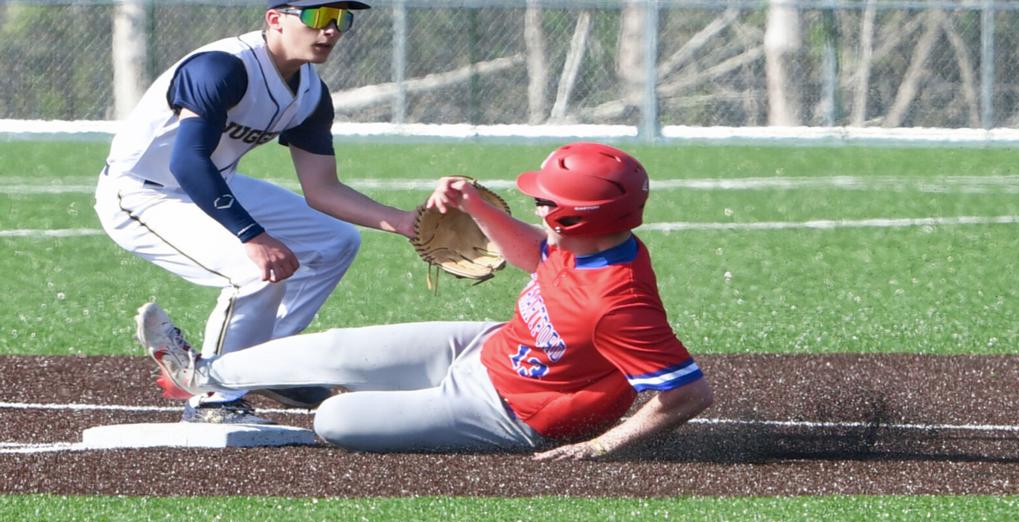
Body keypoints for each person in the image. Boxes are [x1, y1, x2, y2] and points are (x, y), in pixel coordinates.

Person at [134, 142, 715, 460]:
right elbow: (540, 254)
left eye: (547, 200)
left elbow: (687, 393)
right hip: (487, 347)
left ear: (576, 216)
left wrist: (599, 447)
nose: (537, 203)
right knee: (336, 349)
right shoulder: (595, 242)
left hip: (513, 415)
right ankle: (201, 373)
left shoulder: (620, 303)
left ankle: (392, 399)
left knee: (336, 419)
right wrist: (476, 208)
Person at [95, 2, 418, 426]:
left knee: (335, 241)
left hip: (215, 182)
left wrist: (405, 223)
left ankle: (265, 362)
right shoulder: (222, 68)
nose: (332, 31)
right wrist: (253, 236)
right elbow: (188, 163)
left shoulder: (311, 94)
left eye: (342, 20)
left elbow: (323, 190)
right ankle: (216, 397)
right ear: (275, 19)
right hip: (142, 192)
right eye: (318, 17)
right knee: (253, 270)